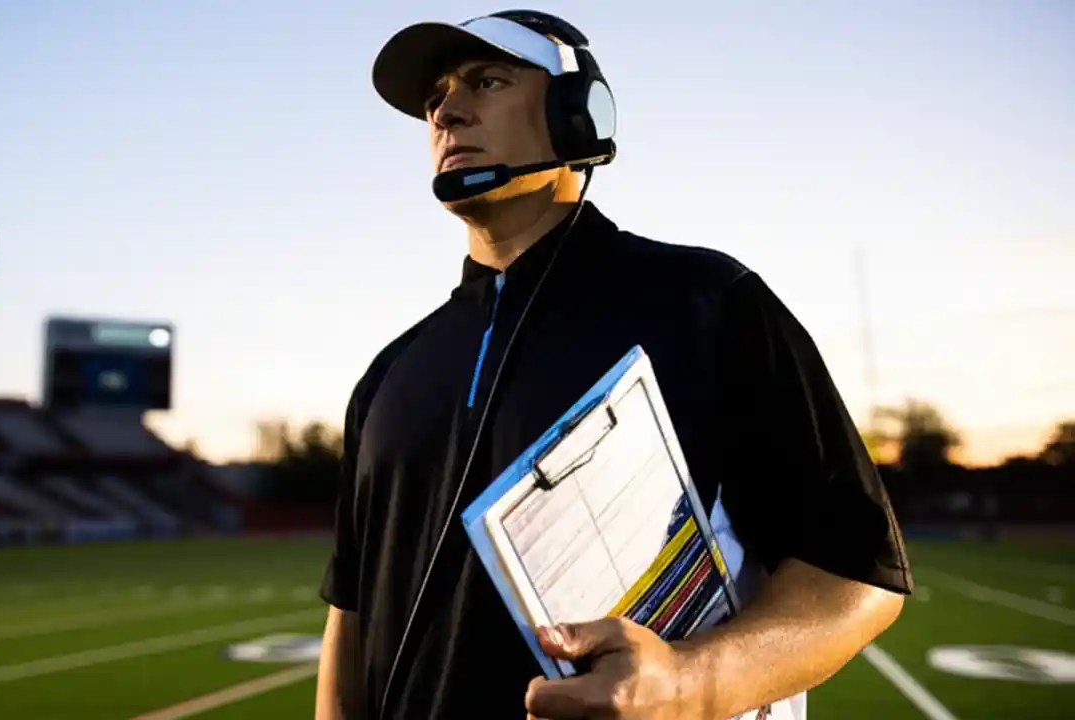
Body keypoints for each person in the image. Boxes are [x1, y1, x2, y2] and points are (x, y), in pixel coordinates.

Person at [316, 9, 912, 720]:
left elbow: (856, 575)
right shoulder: (390, 373)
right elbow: (349, 626)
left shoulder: (706, 303)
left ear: (579, 116)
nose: (446, 110)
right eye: (434, 98)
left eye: (487, 80)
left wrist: (690, 683)